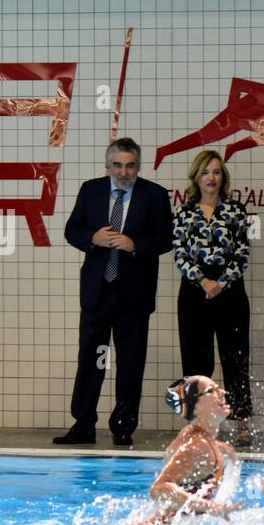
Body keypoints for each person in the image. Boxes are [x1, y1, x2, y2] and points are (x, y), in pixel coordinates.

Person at [55, 137, 173, 447]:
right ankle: (83, 424)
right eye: (117, 165)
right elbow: (71, 230)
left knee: (131, 362)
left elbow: (166, 238)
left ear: (138, 166)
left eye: (130, 165)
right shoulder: (90, 190)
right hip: (97, 292)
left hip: (134, 294)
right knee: (92, 359)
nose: (123, 172)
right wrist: (92, 237)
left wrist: (137, 245)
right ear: (108, 166)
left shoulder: (155, 195)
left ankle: (123, 426)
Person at [173, 150, 255, 447]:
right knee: (197, 362)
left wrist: (221, 282)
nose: (211, 177)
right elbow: (179, 254)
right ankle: (199, 424)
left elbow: (243, 253)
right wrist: (203, 281)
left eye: (217, 172)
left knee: (235, 359)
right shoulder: (185, 212)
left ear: (223, 177)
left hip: (230, 291)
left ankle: (242, 423)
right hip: (194, 293)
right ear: (197, 176)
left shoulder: (236, 210)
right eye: (206, 172)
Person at [140, 376, 239, 525]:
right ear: (196, 406)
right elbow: (158, 488)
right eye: (211, 390)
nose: (223, 392)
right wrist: (212, 507)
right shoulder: (197, 446)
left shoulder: (197, 437)